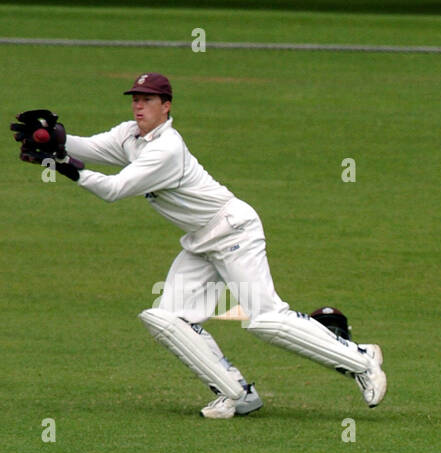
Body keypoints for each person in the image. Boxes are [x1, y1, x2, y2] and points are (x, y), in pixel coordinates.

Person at [11, 73, 386, 418]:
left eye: (148, 99)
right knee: (169, 320)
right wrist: (54, 136)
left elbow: (114, 190)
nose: (139, 106)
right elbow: (86, 147)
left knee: (267, 320)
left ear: (167, 106)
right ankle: (237, 392)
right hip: (200, 241)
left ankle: (362, 359)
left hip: (233, 230)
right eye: (135, 99)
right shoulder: (130, 135)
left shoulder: (166, 148)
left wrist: (62, 164)